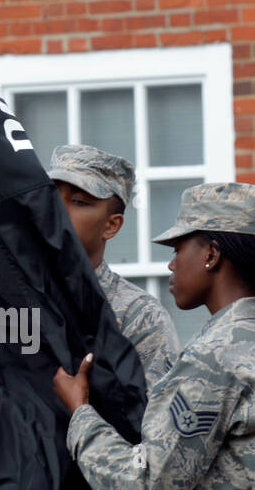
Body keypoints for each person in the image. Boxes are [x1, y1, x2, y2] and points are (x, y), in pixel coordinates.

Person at [53, 182, 255, 490]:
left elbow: (145, 485)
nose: (171, 265)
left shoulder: (215, 358)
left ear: (211, 255)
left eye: (178, 249)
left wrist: (80, 412)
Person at [47, 144, 180, 393]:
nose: (59, 210)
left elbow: (154, 426)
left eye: (78, 201)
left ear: (111, 226)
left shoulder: (140, 318)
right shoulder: (9, 294)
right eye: (51, 197)